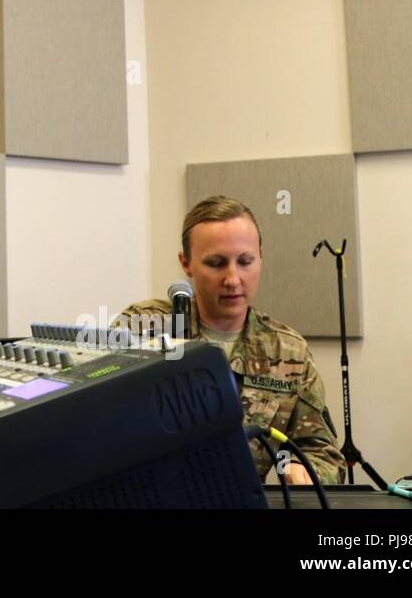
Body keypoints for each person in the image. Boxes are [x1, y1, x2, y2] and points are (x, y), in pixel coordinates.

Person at [115, 196, 345, 485]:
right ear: (185, 263)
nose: (233, 279)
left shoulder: (287, 351)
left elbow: (317, 449)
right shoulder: (143, 328)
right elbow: (96, 427)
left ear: (260, 256)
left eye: (245, 261)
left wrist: (295, 465)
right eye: (216, 263)